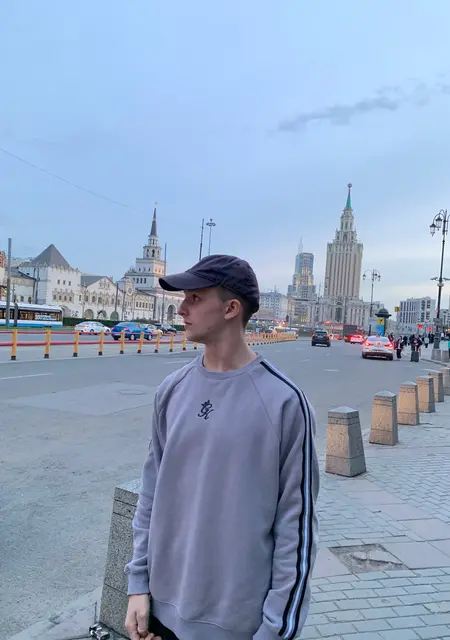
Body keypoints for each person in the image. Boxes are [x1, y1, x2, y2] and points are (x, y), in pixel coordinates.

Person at [124, 254, 320, 640]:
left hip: (238, 626)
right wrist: (138, 584)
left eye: (195, 298)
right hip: (160, 612)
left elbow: (296, 529)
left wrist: (276, 630)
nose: (181, 308)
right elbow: (150, 495)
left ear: (231, 309)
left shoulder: (284, 402)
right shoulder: (172, 391)